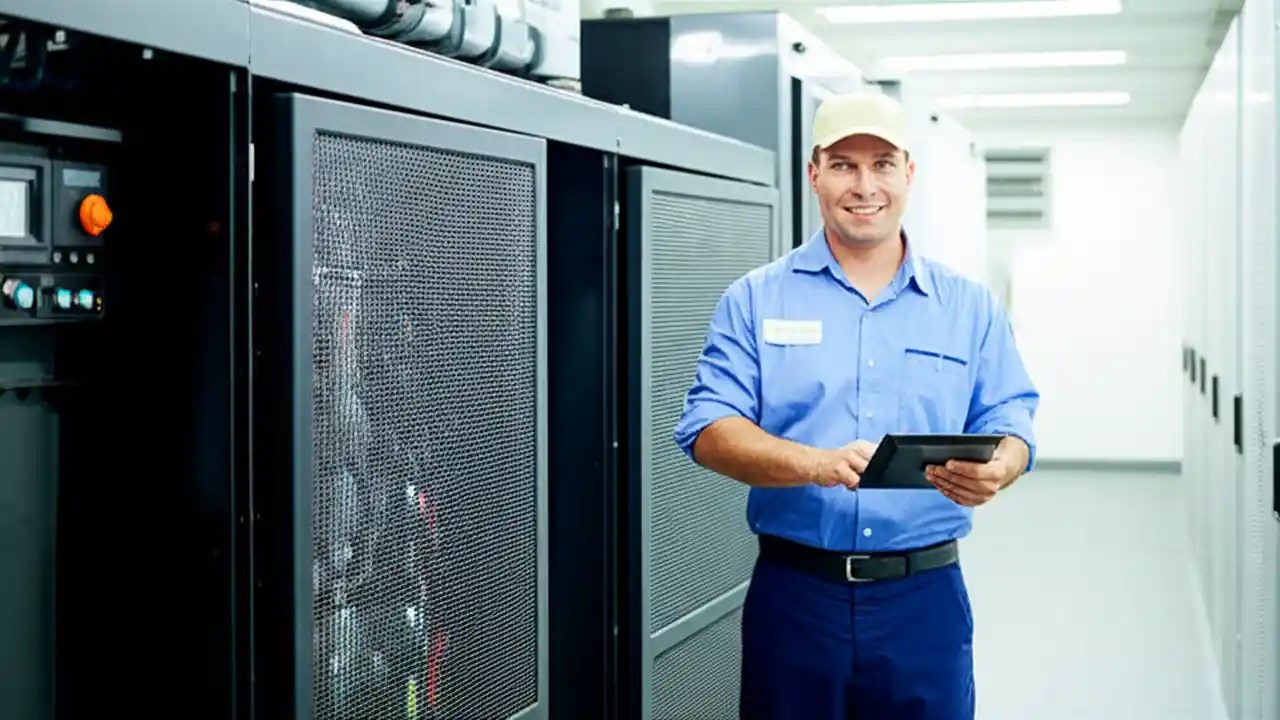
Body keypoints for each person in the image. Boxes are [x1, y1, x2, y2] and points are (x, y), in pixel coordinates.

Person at [672, 91, 1040, 719]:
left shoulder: (968, 307)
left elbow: (1010, 419)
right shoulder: (755, 299)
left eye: (882, 163)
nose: (864, 185)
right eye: (843, 164)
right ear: (814, 174)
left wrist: (999, 466)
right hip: (795, 599)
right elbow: (709, 427)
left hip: (924, 600)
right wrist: (814, 464)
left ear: (908, 174)